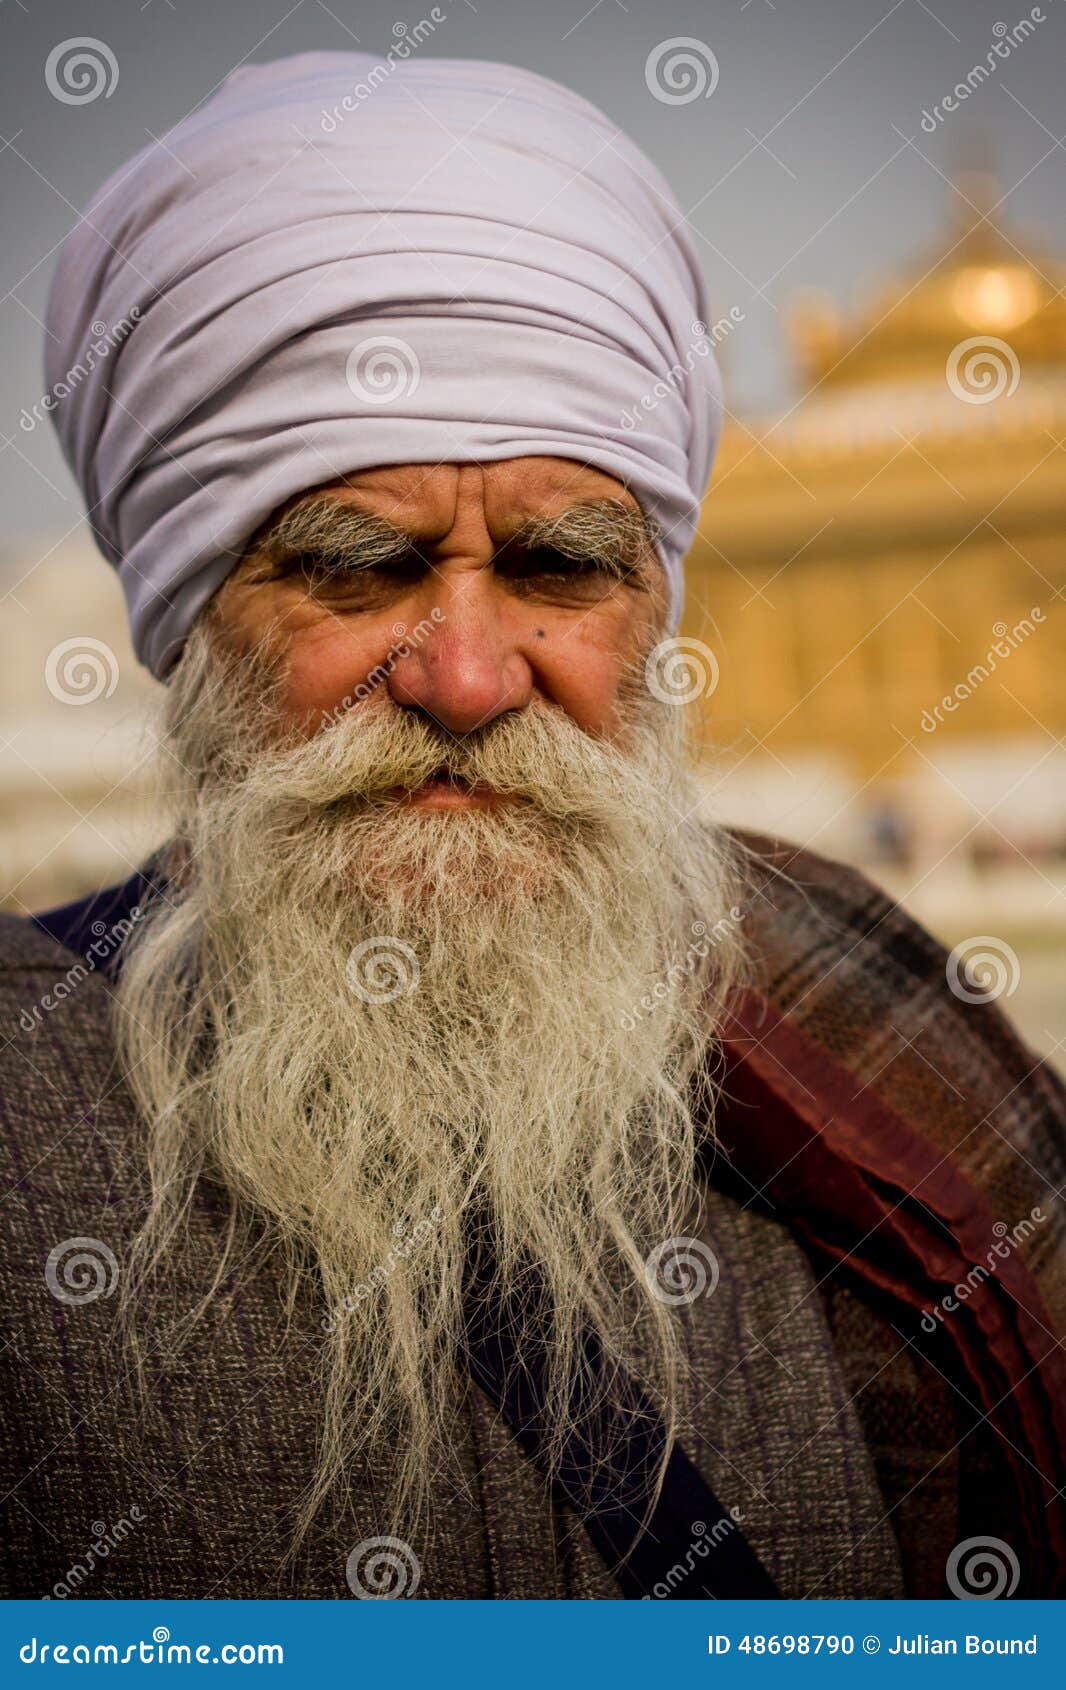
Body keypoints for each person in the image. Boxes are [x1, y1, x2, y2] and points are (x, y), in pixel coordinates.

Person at [1, 52, 1063, 1602]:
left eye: (560, 567)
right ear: (189, 619)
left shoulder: (858, 998)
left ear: (648, 609)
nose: (468, 676)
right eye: (356, 568)